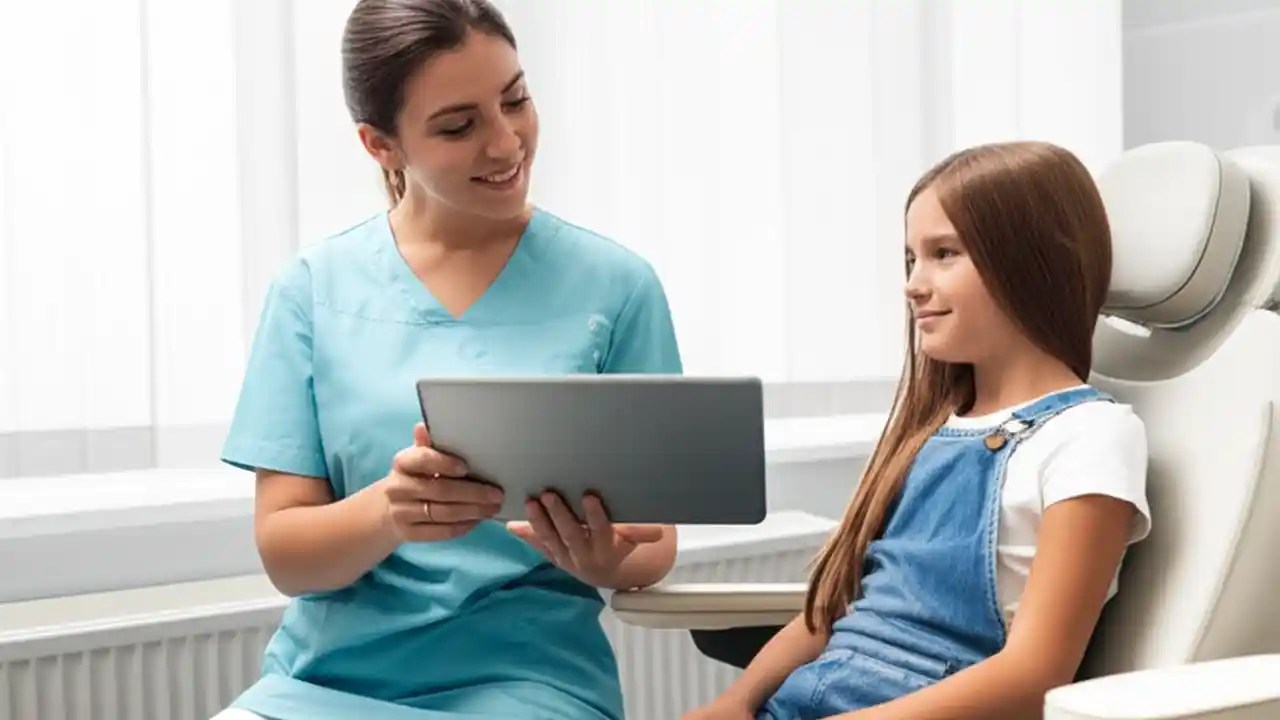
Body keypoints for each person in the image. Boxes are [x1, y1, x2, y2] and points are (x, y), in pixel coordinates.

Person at [212, 1, 682, 718]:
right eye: (458, 126)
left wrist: (603, 558)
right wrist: (390, 513)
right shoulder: (312, 292)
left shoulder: (616, 288)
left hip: (530, 682)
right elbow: (285, 554)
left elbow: (655, 544)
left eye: (516, 99)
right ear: (381, 145)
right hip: (321, 684)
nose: (506, 143)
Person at [686, 141, 1151, 720]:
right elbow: (835, 613)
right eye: (911, 259)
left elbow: (1034, 676)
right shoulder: (932, 430)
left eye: (944, 253)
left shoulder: (1089, 437)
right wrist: (734, 702)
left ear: (1032, 261)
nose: (913, 283)